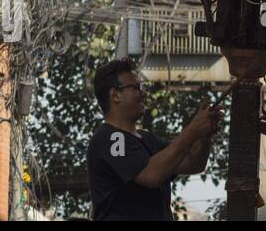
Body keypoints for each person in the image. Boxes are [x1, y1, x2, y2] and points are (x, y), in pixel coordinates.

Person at [86, 58, 221, 221]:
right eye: (135, 87)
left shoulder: (148, 138)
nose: (142, 93)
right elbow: (151, 175)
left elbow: (194, 164)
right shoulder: (112, 139)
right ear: (115, 95)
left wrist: (204, 136)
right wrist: (192, 130)